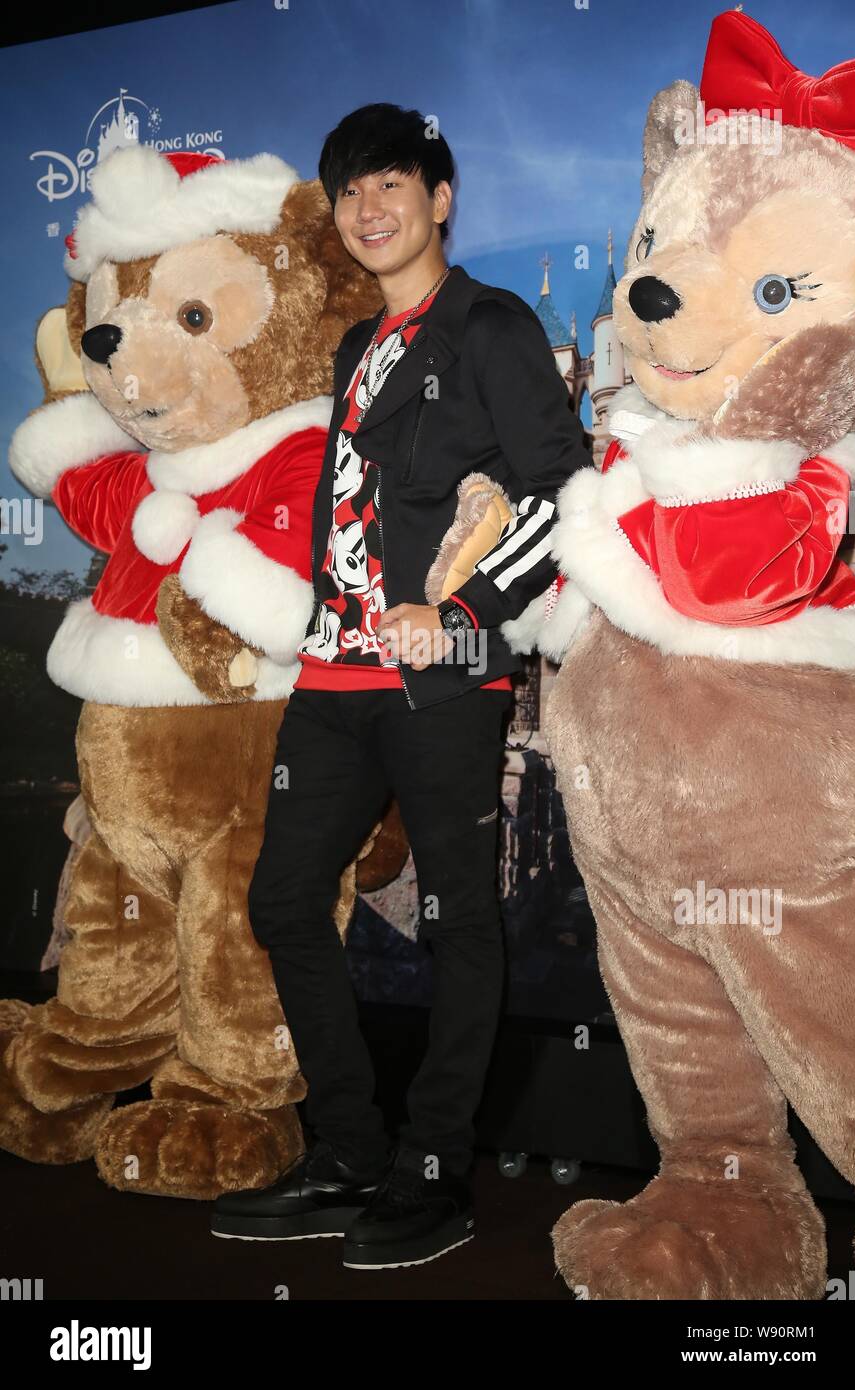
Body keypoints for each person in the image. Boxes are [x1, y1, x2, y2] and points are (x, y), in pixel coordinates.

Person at [211, 103, 593, 1269]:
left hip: (444, 684)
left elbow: (563, 488)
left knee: (452, 923)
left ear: (440, 196)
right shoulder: (351, 349)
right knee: (282, 899)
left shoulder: (488, 324)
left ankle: (435, 1171)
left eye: (391, 184)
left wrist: (466, 612)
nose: (368, 209)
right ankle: (347, 1152)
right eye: (349, 194)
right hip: (333, 673)